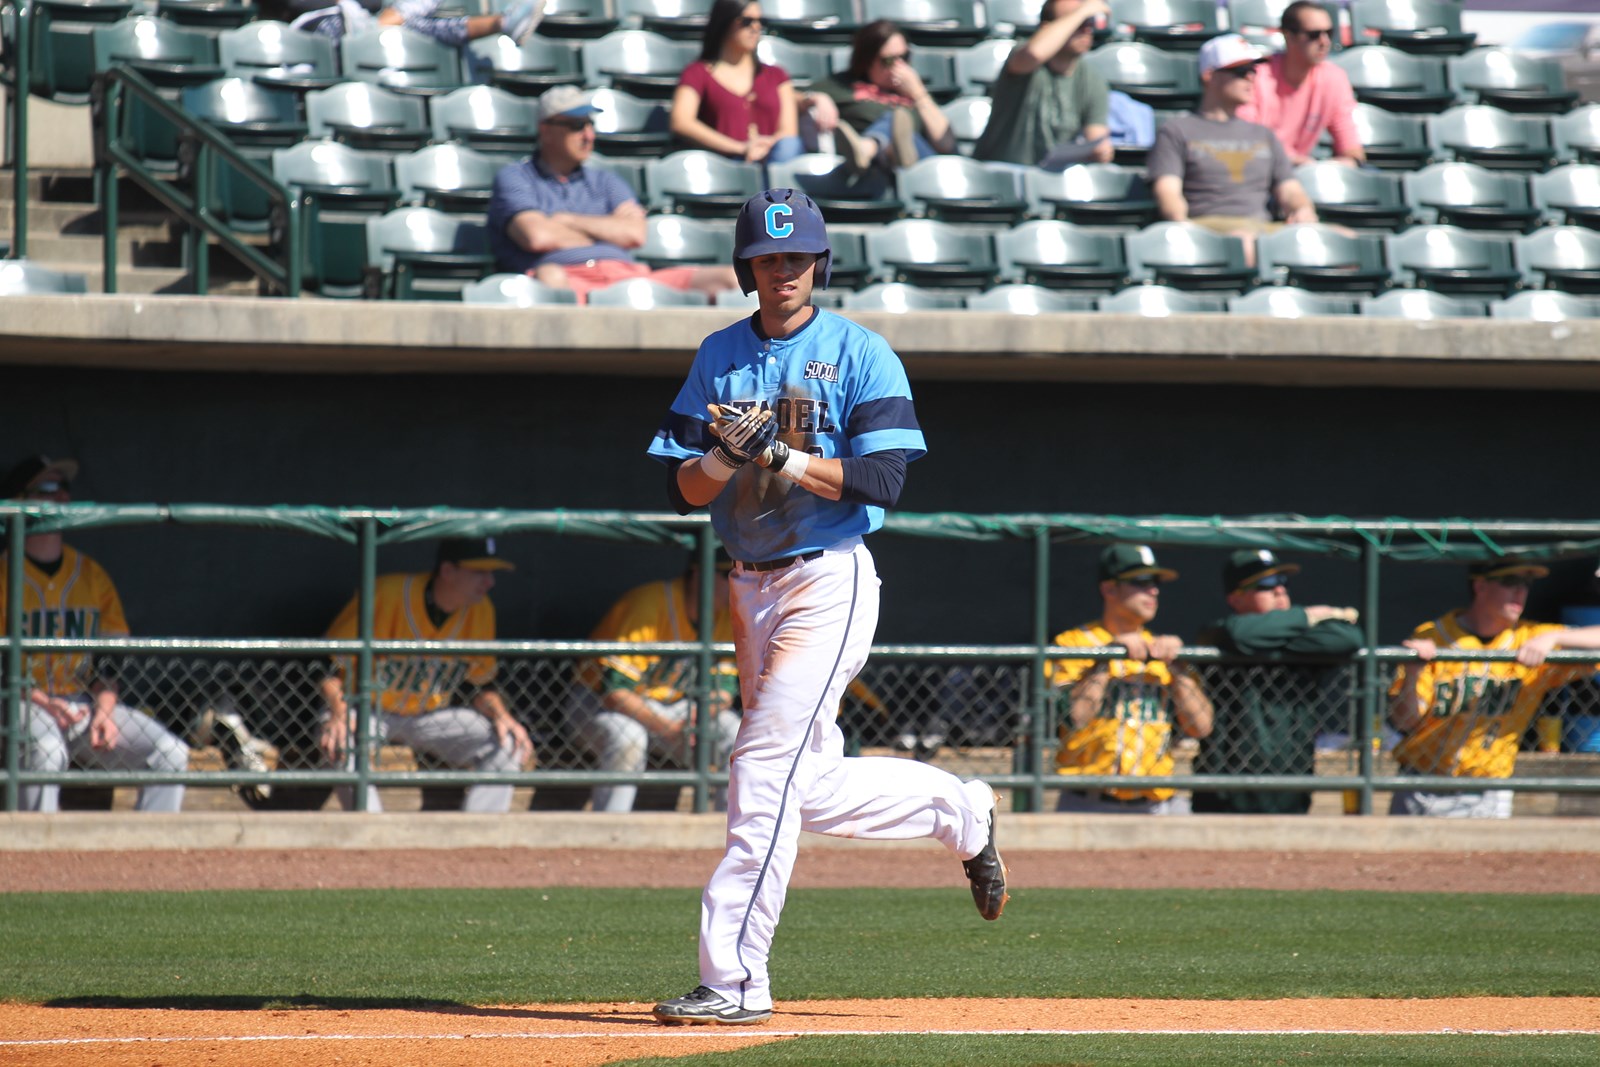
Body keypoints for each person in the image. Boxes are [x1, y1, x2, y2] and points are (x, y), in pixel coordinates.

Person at [645, 189, 1007, 1026]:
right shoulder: (719, 354)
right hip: (749, 581)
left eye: (797, 257)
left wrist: (777, 450)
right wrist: (721, 456)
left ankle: (735, 979)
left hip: (828, 577)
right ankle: (962, 809)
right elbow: (677, 489)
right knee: (802, 786)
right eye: (769, 259)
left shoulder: (861, 351)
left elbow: (884, 481)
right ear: (748, 269)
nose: (784, 271)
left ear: (818, 264)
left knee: (759, 769)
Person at [0, 454, 189, 813]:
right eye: (47, 488)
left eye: (64, 489)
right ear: (17, 501)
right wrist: (43, 701)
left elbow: (110, 660)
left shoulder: (91, 575)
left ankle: (149, 859)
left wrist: (104, 708)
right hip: (17, 703)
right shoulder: (3, 574)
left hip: (82, 704)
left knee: (171, 753)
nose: (60, 498)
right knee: (46, 750)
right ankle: (39, 856)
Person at [317, 537, 534, 812]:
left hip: (430, 716)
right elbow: (326, 664)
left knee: (507, 743)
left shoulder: (481, 609)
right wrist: (338, 712)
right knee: (342, 742)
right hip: (366, 709)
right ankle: (371, 832)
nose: (489, 582)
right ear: (447, 571)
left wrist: (503, 716)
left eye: (491, 573)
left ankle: (478, 835)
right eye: (479, 572)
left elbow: (481, 684)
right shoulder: (386, 593)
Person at [1387, 558, 1600, 819]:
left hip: (1488, 786)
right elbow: (1406, 721)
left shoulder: (1531, 637)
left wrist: (1555, 637)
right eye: (1510, 583)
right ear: (1480, 586)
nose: (1520, 592)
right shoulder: (1433, 635)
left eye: (1525, 584)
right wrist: (1412, 673)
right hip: (1420, 782)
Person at [487, 86, 741, 303]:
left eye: (590, 124)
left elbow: (634, 233)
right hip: (568, 277)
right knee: (549, 278)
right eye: (576, 125)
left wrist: (565, 221)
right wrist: (607, 234)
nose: (588, 135)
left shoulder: (605, 180)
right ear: (546, 130)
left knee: (730, 279)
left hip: (627, 276)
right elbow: (537, 236)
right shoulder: (516, 177)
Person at [1191, 549, 1363, 815]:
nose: (1279, 591)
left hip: (1290, 792)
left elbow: (1348, 638)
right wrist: (1308, 616)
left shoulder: (1300, 637)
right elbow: (1241, 635)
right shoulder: (1219, 632)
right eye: (1266, 585)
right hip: (1225, 795)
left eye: (1283, 583)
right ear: (1236, 598)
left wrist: (1284, 631)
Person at [567, 550, 741, 813]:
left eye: (739, 573)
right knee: (629, 738)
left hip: (677, 708)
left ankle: (727, 836)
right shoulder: (650, 603)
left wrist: (698, 717)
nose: (735, 581)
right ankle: (608, 832)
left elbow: (725, 691)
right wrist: (668, 727)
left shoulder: (727, 613)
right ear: (698, 573)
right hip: (597, 704)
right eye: (726, 574)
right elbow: (615, 693)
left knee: (737, 735)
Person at [1046, 544, 1213, 815]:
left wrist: (1179, 669)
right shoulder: (1073, 643)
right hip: (1086, 802)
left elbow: (1201, 726)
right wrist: (1105, 658)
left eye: (1156, 582)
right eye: (1141, 581)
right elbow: (1076, 717)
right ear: (1109, 589)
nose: (1153, 590)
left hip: (1158, 805)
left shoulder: (1162, 650)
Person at [1146, 33, 1318, 265]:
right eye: (1240, 72)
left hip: (1262, 228)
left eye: (1253, 71)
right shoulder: (1177, 131)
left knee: (1344, 243)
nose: (1250, 78)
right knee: (1244, 244)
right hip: (1209, 227)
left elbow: (1290, 190)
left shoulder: (1264, 135)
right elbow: (1169, 194)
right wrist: (1182, 226)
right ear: (1209, 76)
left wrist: (1302, 209)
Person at [800, 20, 956, 172]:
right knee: (894, 120)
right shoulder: (843, 84)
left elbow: (946, 144)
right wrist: (816, 98)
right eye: (888, 61)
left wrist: (918, 93)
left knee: (896, 119)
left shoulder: (914, 93)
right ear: (867, 60)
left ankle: (867, 148)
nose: (899, 66)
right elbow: (790, 98)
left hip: (923, 166)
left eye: (905, 57)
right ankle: (888, 150)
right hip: (878, 172)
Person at [972, 0, 1113, 167]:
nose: (1085, 29)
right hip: (1001, 177)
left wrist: (1102, 152)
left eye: (1088, 22)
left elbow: (1097, 138)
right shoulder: (1023, 56)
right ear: (1047, 28)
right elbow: (1034, 53)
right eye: (1075, 21)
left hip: (1051, 182)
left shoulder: (1092, 78)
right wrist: (1083, 11)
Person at [670, 0, 802, 168]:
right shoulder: (697, 73)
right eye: (747, 21)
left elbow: (788, 132)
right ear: (725, 22)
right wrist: (741, 148)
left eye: (761, 21)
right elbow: (681, 122)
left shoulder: (777, 75)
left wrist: (762, 148)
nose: (755, 27)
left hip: (773, 160)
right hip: (725, 165)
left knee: (789, 146)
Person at [1236, 1, 1364, 168]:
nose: (1324, 41)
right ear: (1288, 36)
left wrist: (1343, 163)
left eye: (1329, 33)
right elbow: (1246, 142)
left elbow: (1351, 147)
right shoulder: (1255, 77)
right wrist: (1296, 162)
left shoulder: (1335, 78)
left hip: (1300, 176)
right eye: (1313, 34)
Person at [277, 0, 546, 57]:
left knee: (408, 26)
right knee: (411, 28)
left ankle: (501, 22)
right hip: (319, 29)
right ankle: (500, 23)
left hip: (370, 24)